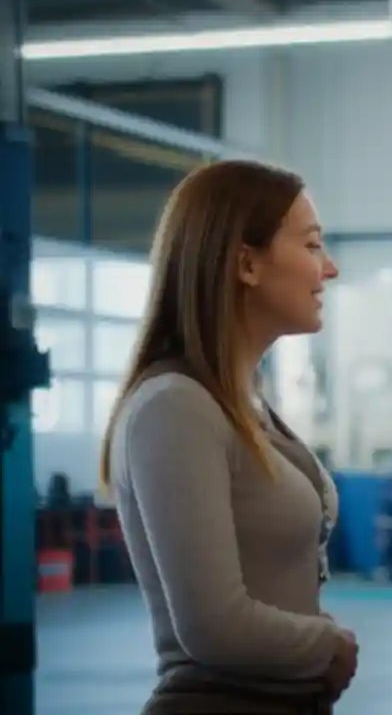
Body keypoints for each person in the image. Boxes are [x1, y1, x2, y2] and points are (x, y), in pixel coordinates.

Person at [100, 160, 357, 715]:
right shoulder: (176, 406)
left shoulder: (244, 403)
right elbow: (213, 626)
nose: (329, 269)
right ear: (246, 263)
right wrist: (328, 643)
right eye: (312, 246)